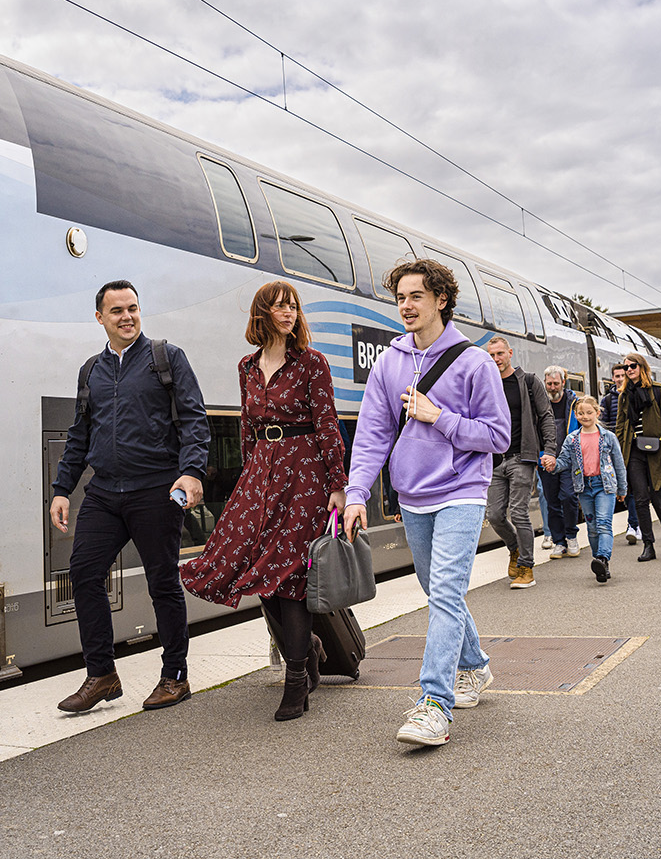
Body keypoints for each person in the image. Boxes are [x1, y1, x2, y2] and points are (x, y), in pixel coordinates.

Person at [342, 259, 510, 747]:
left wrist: (441, 418)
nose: (406, 306)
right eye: (400, 297)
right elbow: (372, 433)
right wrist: (356, 495)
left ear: (441, 300)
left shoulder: (474, 362)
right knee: (438, 591)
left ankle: (433, 703)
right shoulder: (389, 362)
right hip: (412, 495)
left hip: (462, 490)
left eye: (416, 296)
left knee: (446, 592)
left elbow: (498, 436)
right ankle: (475, 667)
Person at [180, 281, 347, 721]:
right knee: (256, 568)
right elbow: (246, 426)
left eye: (293, 306)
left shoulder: (312, 363)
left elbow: (327, 423)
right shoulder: (247, 366)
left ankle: (296, 679)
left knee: (287, 572)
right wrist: (250, 481)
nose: (289, 313)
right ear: (262, 314)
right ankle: (307, 648)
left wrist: (337, 484)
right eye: (279, 306)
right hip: (262, 474)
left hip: (304, 473)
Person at [51, 280, 210, 713]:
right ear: (99, 318)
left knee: (163, 582)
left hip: (156, 488)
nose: (127, 317)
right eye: (117, 310)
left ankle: (175, 676)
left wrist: (192, 471)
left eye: (133, 308)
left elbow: (195, 419)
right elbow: (79, 434)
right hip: (104, 491)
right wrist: (62, 488)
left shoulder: (166, 358)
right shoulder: (91, 370)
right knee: (83, 573)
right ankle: (101, 674)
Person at [483, 336, 558, 590]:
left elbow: (546, 415)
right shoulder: (486, 384)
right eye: (492, 355)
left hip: (521, 457)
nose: (496, 359)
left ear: (510, 353)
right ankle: (515, 547)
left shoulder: (528, 381)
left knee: (519, 513)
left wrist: (549, 450)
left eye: (500, 354)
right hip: (495, 459)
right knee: (493, 515)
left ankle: (526, 567)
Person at [614, 353, 661, 561]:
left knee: (659, 500)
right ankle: (648, 545)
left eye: (632, 366)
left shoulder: (658, 390)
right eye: (626, 367)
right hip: (634, 451)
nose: (629, 370)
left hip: (657, 450)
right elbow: (620, 426)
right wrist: (619, 452)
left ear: (642, 367)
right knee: (640, 499)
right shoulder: (624, 395)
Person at [555, 396, 626, 584]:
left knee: (603, 523)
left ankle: (602, 558)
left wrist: (622, 488)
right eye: (581, 413)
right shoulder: (572, 439)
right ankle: (600, 564)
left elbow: (619, 464)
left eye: (589, 412)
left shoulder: (608, 437)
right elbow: (564, 461)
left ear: (597, 413)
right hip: (584, 487)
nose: (585, 416)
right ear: (576, 415)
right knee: (593, 527)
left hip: (605, 485)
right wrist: (552, 465)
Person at [540, 366, 581, 559]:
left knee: (568, 497)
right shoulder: (539, 404)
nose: (552, 387)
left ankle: (571, 536)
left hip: (568, 459)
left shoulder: (574, 403)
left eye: (556, 383)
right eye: (549, 383)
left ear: (563, 382)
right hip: (546, 459)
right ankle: (559, 542)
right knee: (552, 501)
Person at [603, 364, 642, 546]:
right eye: (616, 376)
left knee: (632, 488)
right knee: (620, 489)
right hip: (613, 450)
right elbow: (602, 424)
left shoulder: (632, 395)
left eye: (621, 375)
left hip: (631, 449)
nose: (619, 379)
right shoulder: (607, 400)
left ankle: (633, 525)